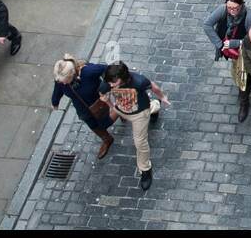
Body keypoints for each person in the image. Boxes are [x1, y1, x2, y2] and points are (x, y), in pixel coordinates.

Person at [101, 61, 169, 191]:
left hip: (139, 114)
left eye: (113, 83)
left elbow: (153, 86)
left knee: (140, 143)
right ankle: (155, 105)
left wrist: (163, 96)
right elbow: (102, 94)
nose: (110, 85)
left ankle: (145, 169)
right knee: (152, 107)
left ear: (123, 78)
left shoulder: (138, 81)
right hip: (122, 109)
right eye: (109, 82)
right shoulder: (108, 82)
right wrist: (110, 105)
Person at [204, 0, 251, 121]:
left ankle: (244, 103)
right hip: (232, 51)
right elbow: (207, 25)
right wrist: (220, 44)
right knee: (238, 73)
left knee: (243, 77)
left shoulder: (250, 18)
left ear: (241, 5)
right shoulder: (223, 9)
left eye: (235, 8)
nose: (232, 11)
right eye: (229, 7)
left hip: (246, 51)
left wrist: (234, 43)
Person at [51, 56, 115, 158]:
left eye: (65, 80)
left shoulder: (88, 71)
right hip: (82, 108)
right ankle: (107, 139)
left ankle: (120, 112)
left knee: (105, 122)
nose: (63, 83)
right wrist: (55, 102)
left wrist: (105, 87)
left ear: (72, 74)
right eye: (60, 81)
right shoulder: (61, 80)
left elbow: (108, 70)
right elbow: (57, 89)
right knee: (92, 124)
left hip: (99, 101)